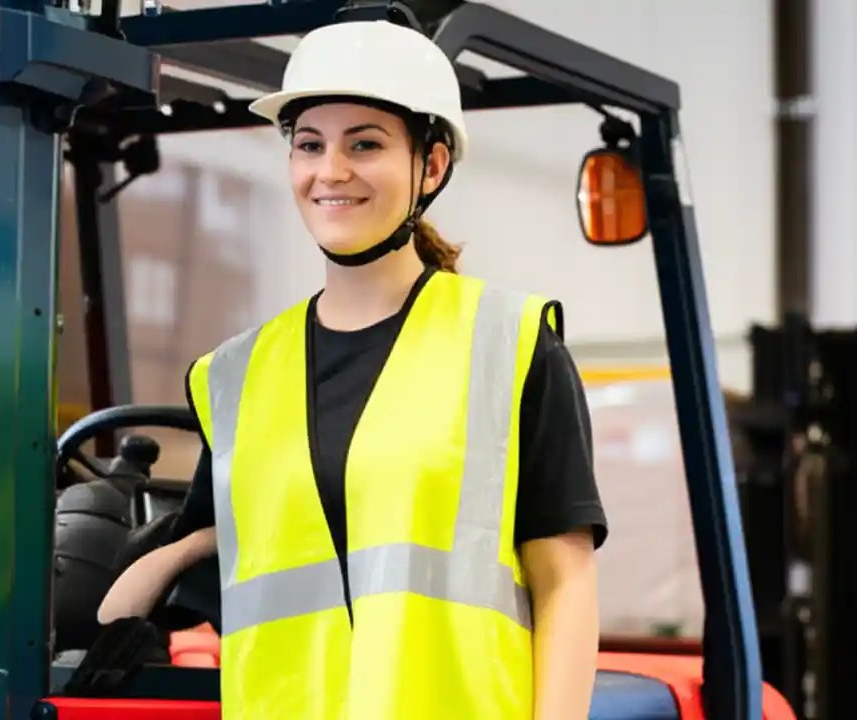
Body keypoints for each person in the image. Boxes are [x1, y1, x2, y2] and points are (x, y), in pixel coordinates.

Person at [98, 19, 607, 720]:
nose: (330, 171)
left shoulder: (510, 344)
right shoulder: (235, 375)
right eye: (309, 145)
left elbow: (565, 584)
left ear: (430, 166)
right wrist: (177, 553)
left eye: (365, 143)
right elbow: (271, 539)